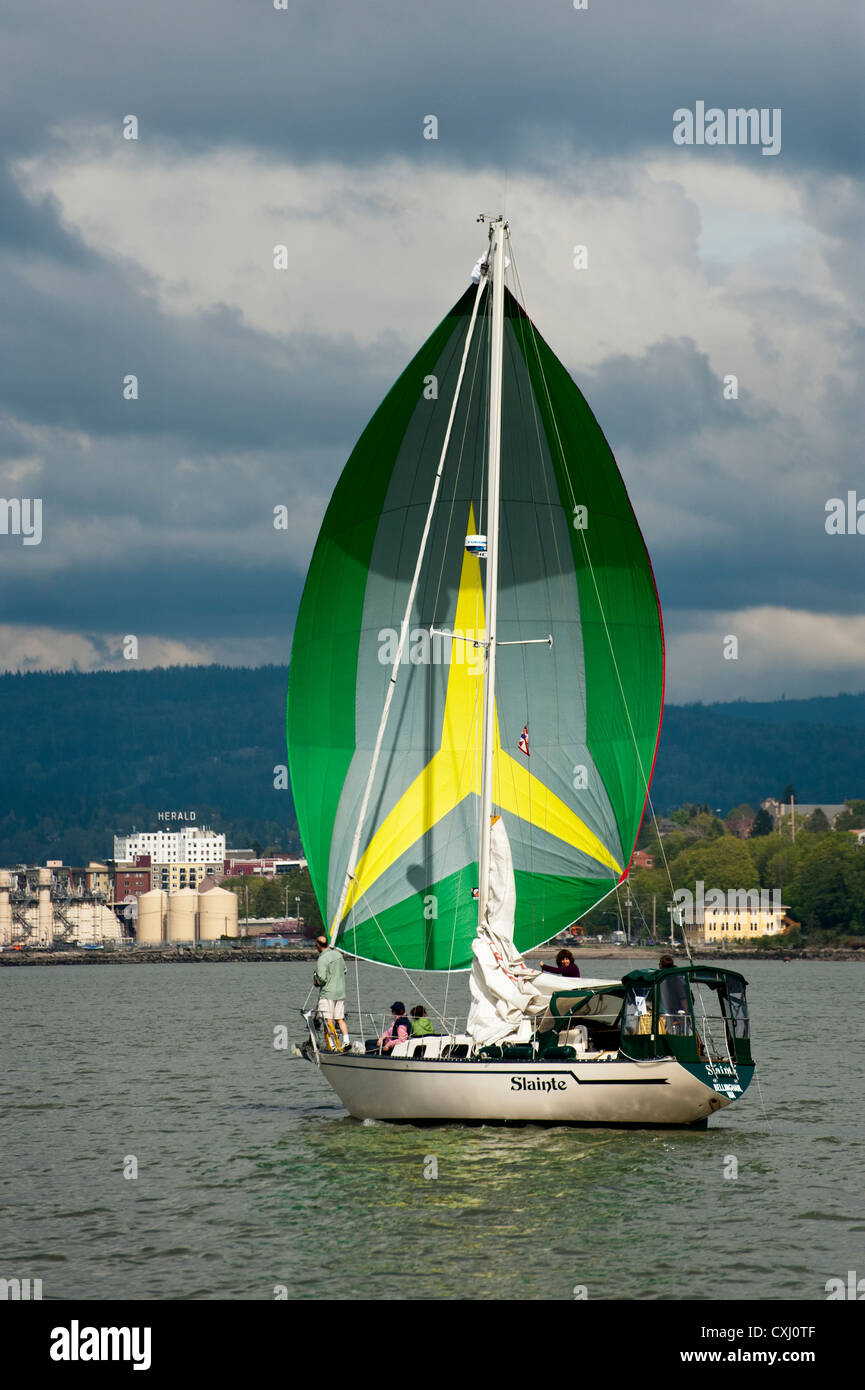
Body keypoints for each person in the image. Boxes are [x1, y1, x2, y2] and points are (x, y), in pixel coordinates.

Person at [313, 935, 349, 1050]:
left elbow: (322, 979)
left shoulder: (322, 959)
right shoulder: (338, 955)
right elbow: (345, 970)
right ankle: (346, 1041)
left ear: (318, 945)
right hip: (340, 992)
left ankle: (332, 1045)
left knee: (328, 1020)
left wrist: (316, 982)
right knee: (340, 1019)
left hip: (328, 993)